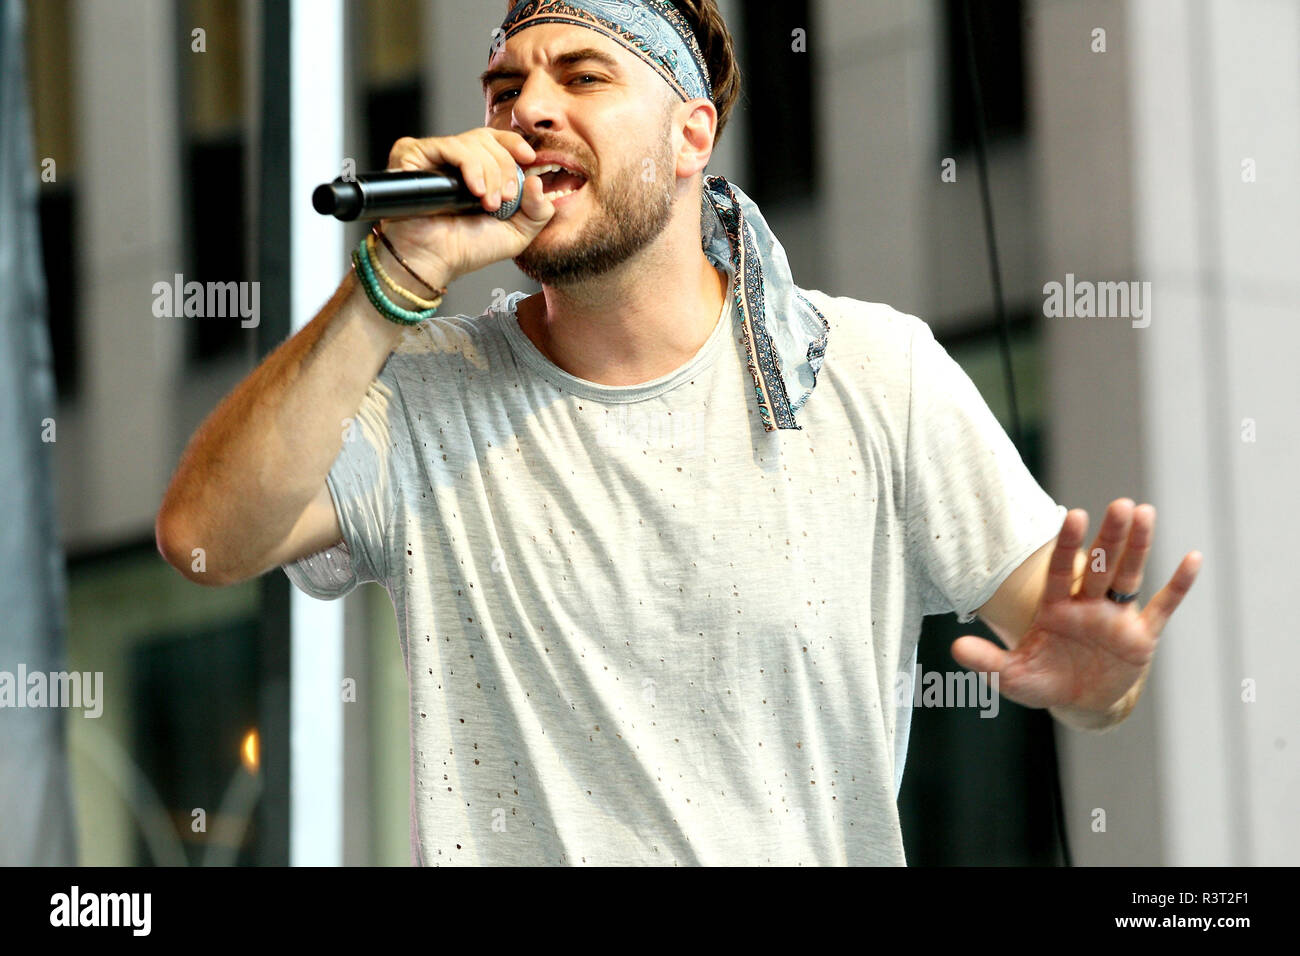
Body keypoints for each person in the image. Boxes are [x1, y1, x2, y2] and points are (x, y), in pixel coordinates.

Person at [155, 0, 1202, 865]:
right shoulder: (427, 389)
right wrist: (395, 277)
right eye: (506, 87)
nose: (530, 111)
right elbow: (205, 535)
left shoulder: (875, 375)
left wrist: (1104, 682)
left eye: (582, 76)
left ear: (691, 134)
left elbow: (1072, 655)